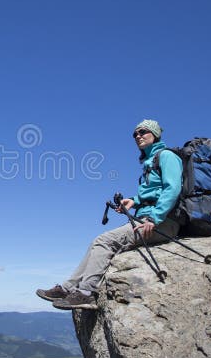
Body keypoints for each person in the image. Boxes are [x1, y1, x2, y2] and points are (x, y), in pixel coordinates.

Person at [36, 119, 183, 310]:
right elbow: (154, 192)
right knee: (97, 242)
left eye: (143, 132)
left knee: (104, 241)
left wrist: (155, 217)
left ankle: (86, 293)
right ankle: (67, 288)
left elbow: (173, 189)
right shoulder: (150, 161)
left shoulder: (167, 156)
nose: (138, 136)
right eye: (135, 134)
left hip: (164, 221)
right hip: (148, 218)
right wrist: (134, 201)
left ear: (155, 134)